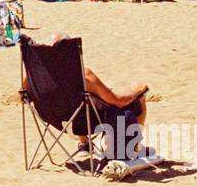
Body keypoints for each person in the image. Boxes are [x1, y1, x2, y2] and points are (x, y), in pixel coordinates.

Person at [22, 33, 150, 157]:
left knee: (74, 99)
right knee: (135, 99)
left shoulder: (34, 77)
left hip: (55, 121)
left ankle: (84, 144)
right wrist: (136, 91)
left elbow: (23, 97)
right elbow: (118, 101)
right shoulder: (83, 76)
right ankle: (135, 145)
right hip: (87, 123)